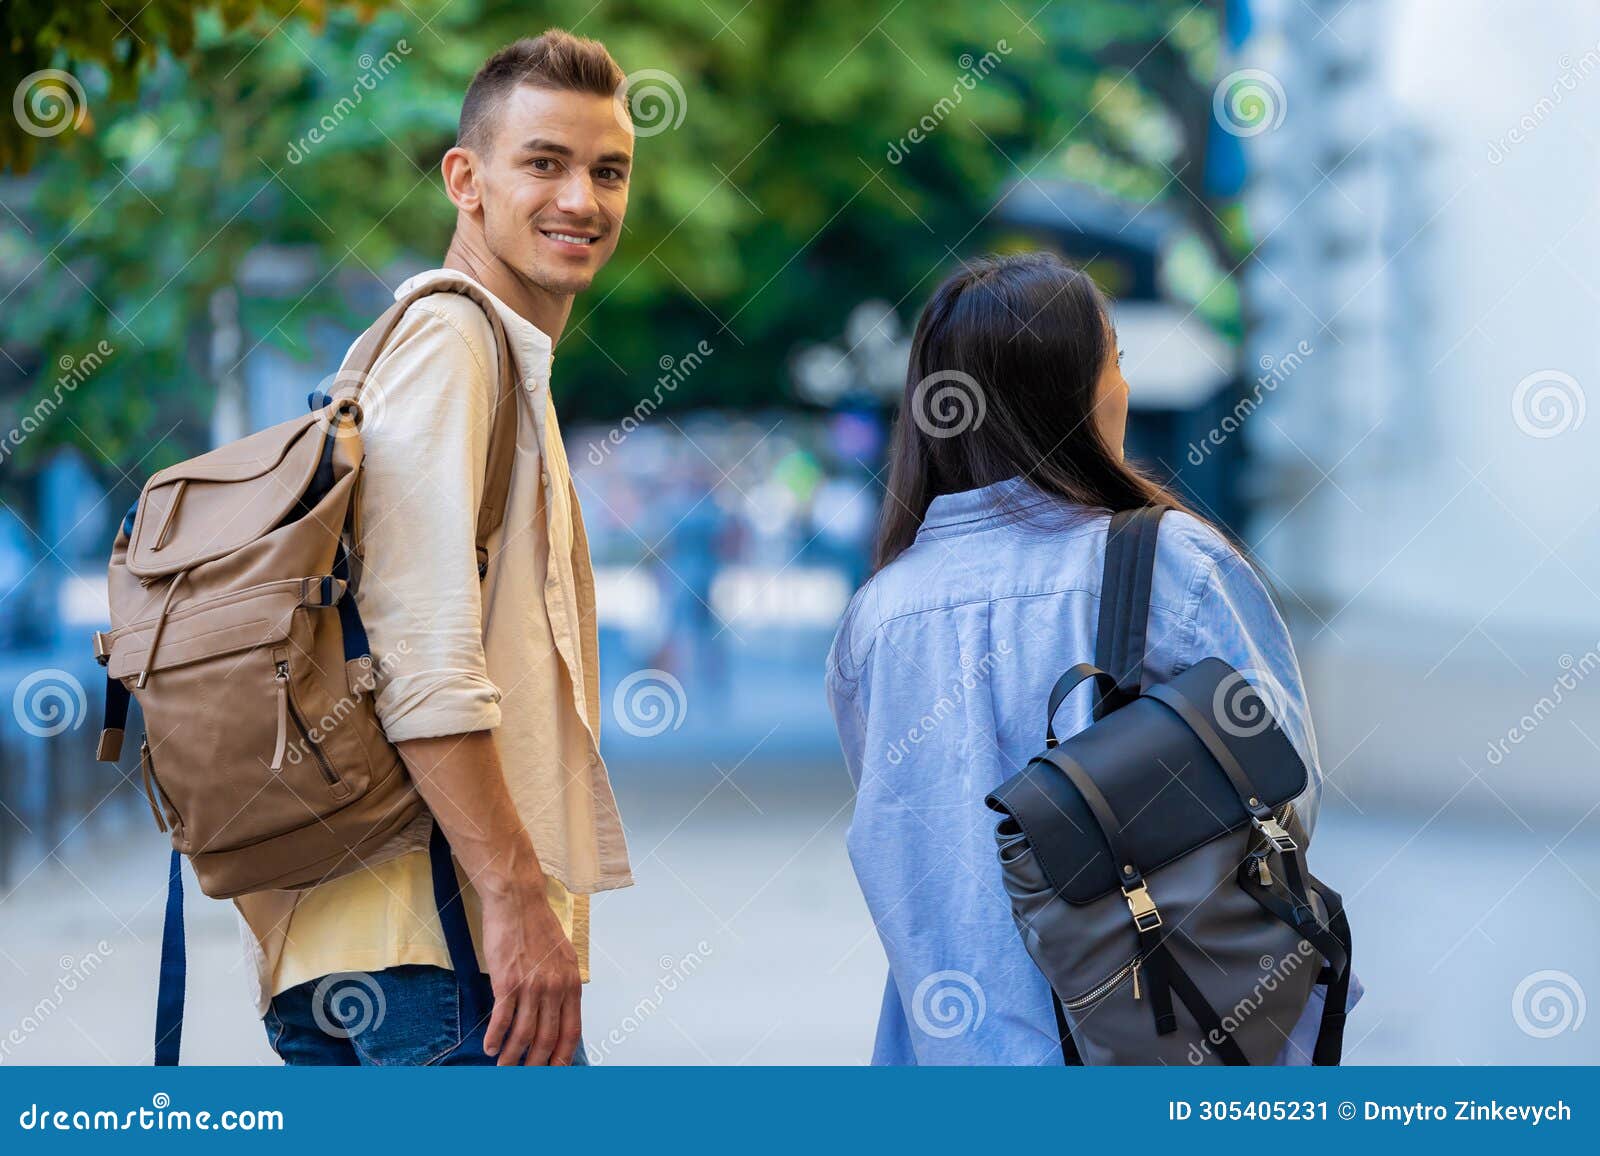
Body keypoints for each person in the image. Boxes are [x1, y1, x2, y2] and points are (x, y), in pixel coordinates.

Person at [825, 251, 1353, 1065]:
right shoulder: (1173, 564)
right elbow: (1286, 795)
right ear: (1078, 393)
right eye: (1117, 362)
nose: (1126, 389)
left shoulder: (879, 616)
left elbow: (911, 830)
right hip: (1158, 1040)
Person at [238, 29, 635, 1066]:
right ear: (465, 178)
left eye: (608, 171)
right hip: (436, 954)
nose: (582, 201)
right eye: (543, 163)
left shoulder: (482, 352)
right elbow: (422, 655)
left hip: (375, 948)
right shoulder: (457, 345)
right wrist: (512, 903)